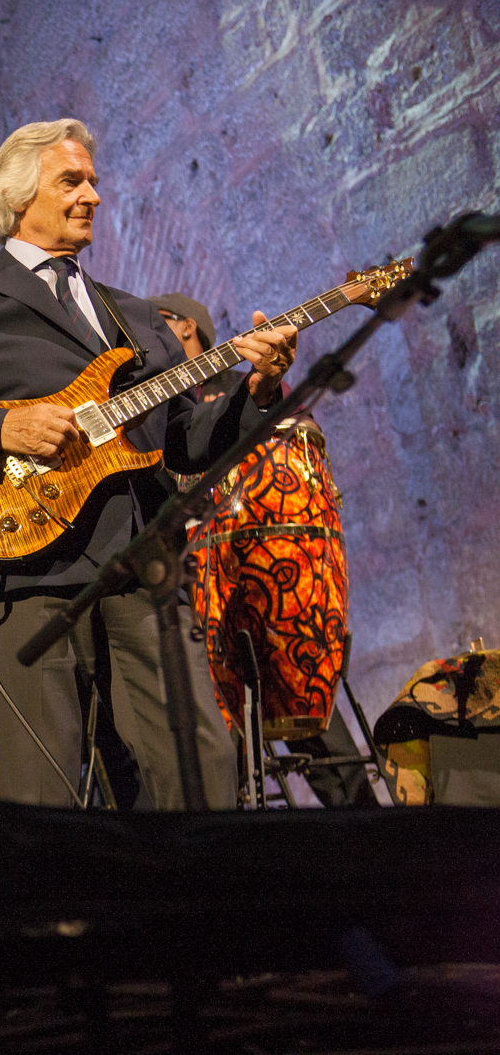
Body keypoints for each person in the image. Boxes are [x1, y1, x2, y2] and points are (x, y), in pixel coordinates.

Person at [0, 119, 298, 809]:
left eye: (94, 181)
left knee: (200, 772)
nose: (92, 194)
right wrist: (4, 428)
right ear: (18, 196)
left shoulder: (136, 317)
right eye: (72, 180)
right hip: (22, 575)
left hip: (141, 573)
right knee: (46, 794)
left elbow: (186, 442)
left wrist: (257, 390)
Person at [152, 293, 377, 808]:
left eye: (155, 324)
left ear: (186, 329)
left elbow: (302, 447)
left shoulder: (243, 385)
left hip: (261, 575)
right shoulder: (159, 411)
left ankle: (369, 837)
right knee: (213, 742)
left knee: (304, 709)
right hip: (190, 591)